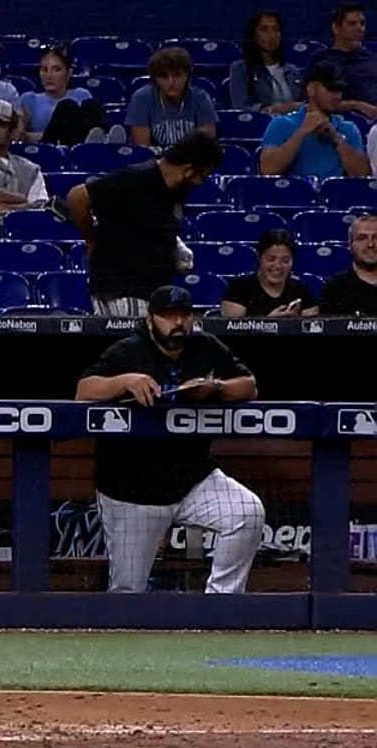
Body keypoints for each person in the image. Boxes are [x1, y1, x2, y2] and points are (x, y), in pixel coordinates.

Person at [75, 285, 264, 594]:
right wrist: (126, 381)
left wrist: (215, 387)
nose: (177, 322)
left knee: (247, 512)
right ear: (150, 320)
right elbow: (84, 391)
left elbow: (249, 386)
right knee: (128, 592)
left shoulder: (206, 347)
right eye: (168, 316)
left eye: (184, 315)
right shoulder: (128, 351)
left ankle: (220, 607)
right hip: (132, 490)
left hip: (192, 480)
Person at [65, 132, 224, 316]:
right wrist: (90, 240)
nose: (201, 183)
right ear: (188, 170)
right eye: (203, 177)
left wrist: (176, 250)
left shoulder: (176, 191)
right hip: (122, 291)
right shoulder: (137, 179)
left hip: (149, 289)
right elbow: (77, 197)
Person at [259, 63, 368, 179]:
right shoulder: (282, 124)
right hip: (295, 195)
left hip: (335, 195)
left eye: (339, 90)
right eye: (331, 89)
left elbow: (362, 176)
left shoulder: (348, 128)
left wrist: (337, 139)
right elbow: (268, 170)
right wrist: (302, 132)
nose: (338, 97)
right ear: (311, 90)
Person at [220, 229, 319, 317]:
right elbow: (231, 331)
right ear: (259, 259)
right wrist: (269, 322)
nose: (278, 266)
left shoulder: (301, 290)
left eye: (285, 261)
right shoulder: (239, 289)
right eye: (271, 259)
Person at [229, 10, 303, 114]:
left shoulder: (293, 71)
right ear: (253, 35)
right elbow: (240, 107)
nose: (271, 35)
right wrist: (273, 110)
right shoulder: (240, 69)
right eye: (264, 29)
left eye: (275, 29)